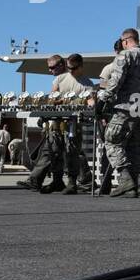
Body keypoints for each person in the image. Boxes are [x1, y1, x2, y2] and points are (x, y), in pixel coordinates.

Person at [97, 28, 140, 197]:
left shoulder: (125, 55)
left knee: (112, 140)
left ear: (125, 41)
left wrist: (104, 99)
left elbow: (116, 80)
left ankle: (125, 179)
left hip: (126, 106)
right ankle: (133, 185)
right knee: (134, 147)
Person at [17, 54, 69, 193]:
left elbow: (52, 100)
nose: (50, 71)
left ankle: (35, 180)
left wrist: (44, 113)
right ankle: (58, 181)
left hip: (59, 122)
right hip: (65, 121)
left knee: (49, 150)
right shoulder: (71, 77)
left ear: (61, 65)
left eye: (52, 67)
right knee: (58, 152)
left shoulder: (60, 79)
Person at [53, 53, 95, 195]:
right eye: (69, 67)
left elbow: (90, 102)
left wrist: (90, 104)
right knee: (55, 151)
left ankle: (72, 182)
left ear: (81, 67)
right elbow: (52, 98)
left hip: (74, 122)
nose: (70, 71)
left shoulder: (87, 83)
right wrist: (62, 101)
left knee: (73, 152)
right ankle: (57, 180)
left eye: (74, 68)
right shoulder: (60, 78)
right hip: (58, 121)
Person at [94, 37, 124, 195]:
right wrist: (103, 115)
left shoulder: (130, 68)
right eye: (120, 51)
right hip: (109, 113)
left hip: (124, 113)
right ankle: (105, 183)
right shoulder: (109, 69)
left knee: (125, 149)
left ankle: (123, 183)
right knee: (108, 149)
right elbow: (103, 92)